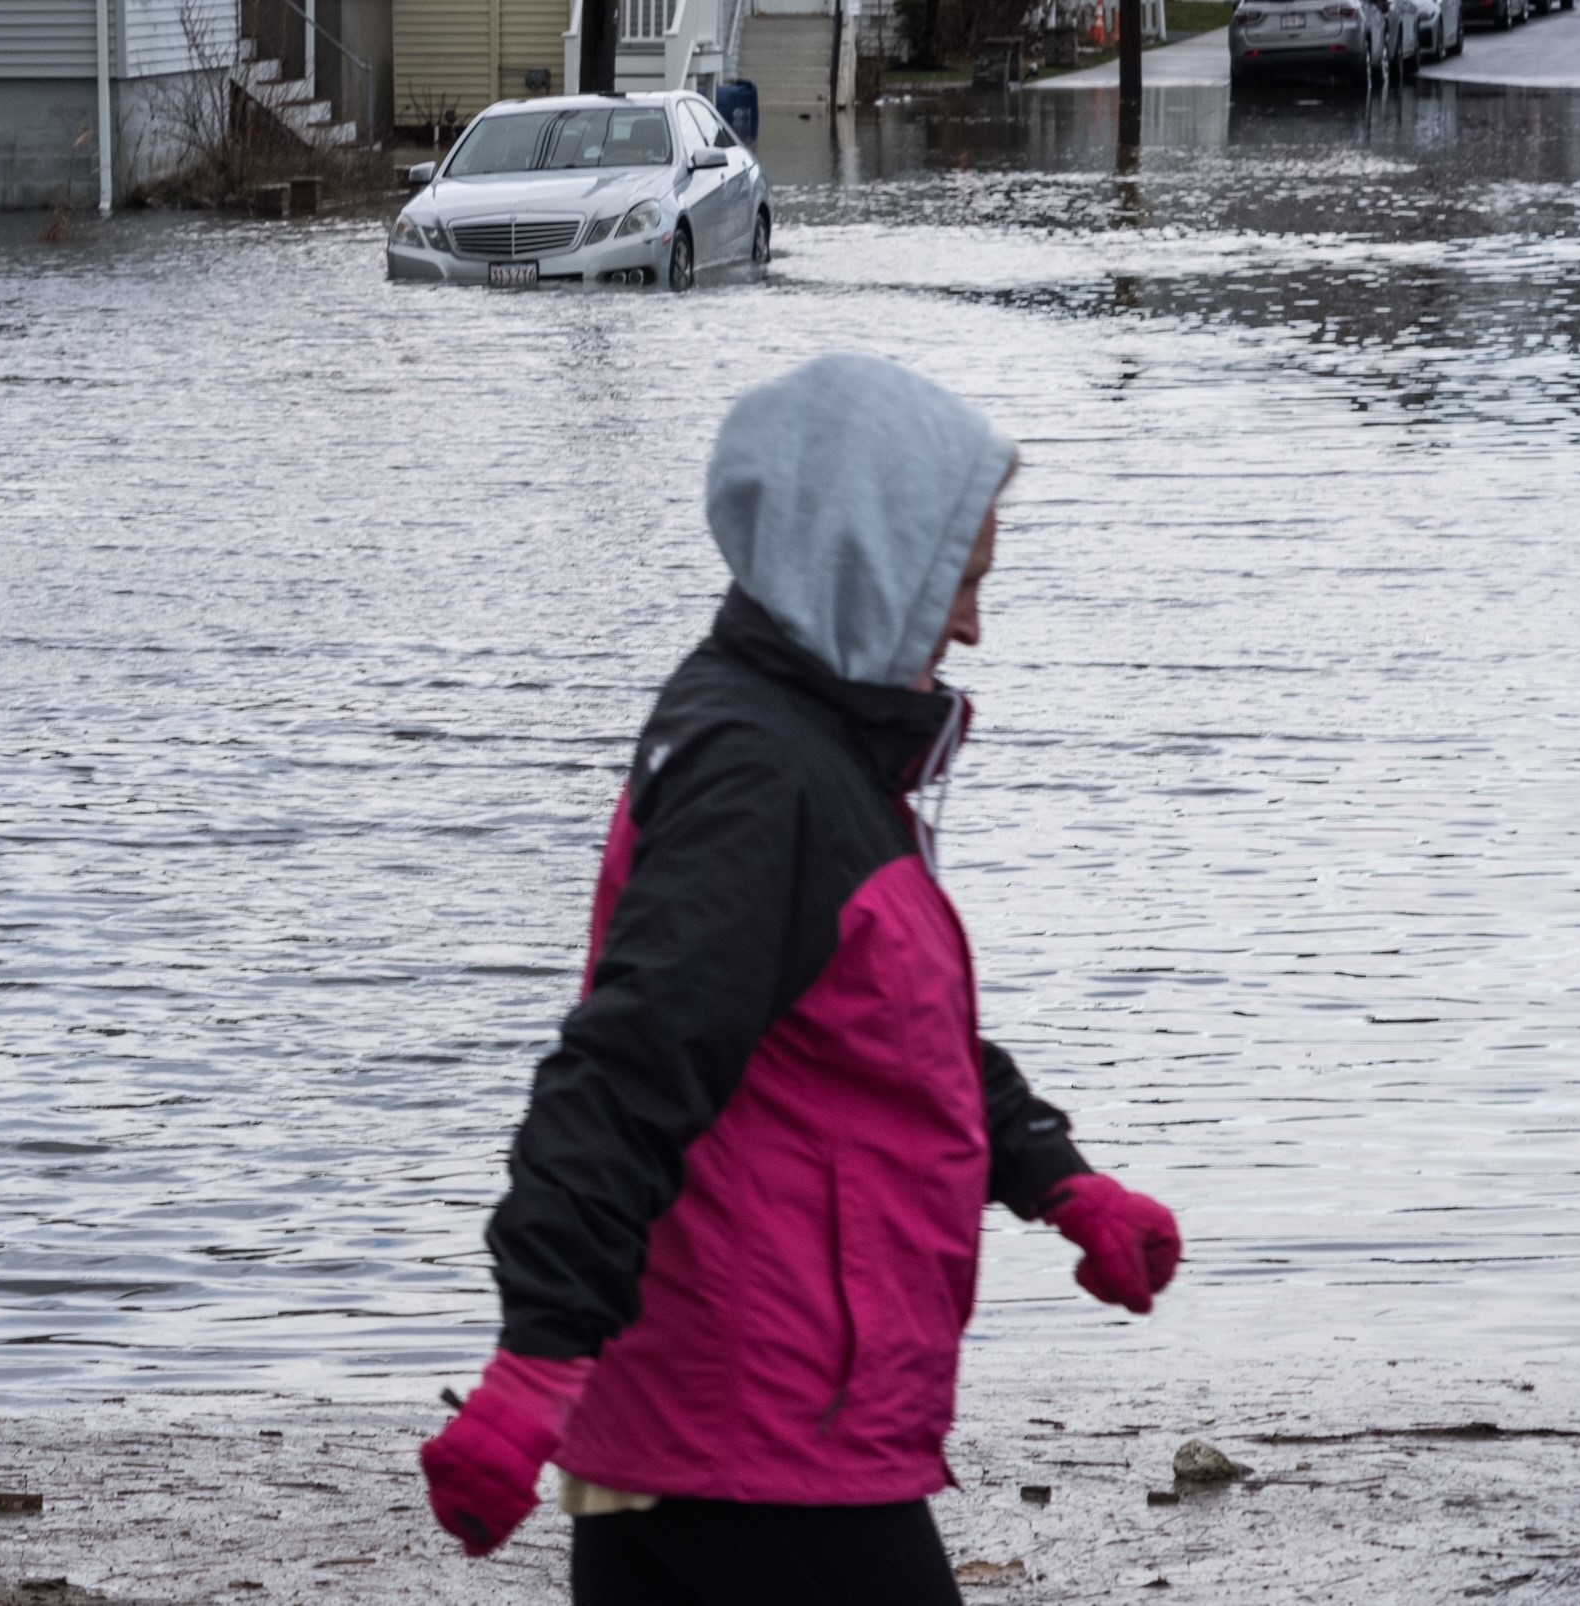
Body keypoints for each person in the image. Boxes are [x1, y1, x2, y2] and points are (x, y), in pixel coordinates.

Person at [418, 354, 1183, 1605]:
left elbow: (882, 1032)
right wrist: (535, 1366)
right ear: (866, 557)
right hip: (759, 1424)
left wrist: (1057, 1176)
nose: (975, 624)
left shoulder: (813, 750)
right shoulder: (762, 774)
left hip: (723, 1416)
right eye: (961, 581)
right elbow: (625, 1068)